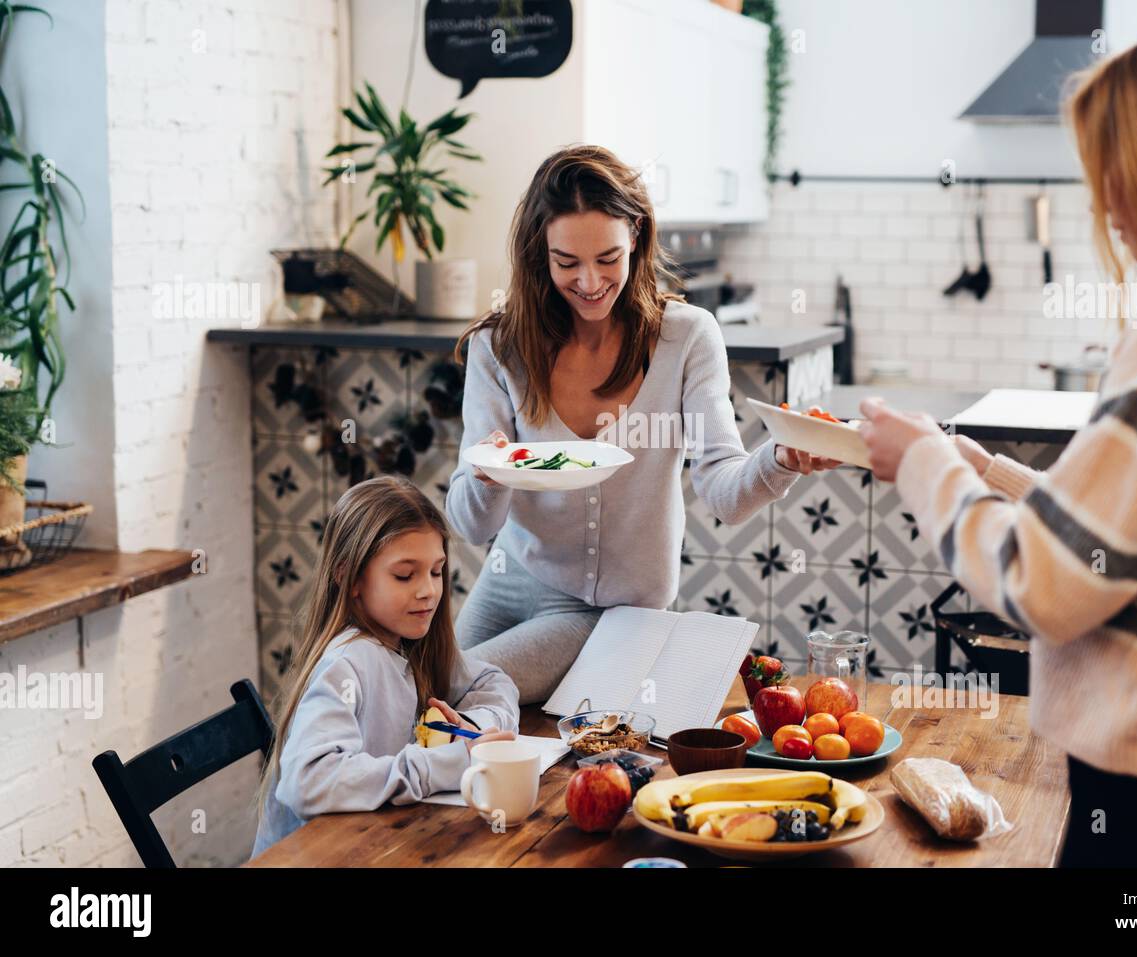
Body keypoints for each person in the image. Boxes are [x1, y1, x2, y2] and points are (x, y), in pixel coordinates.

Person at [856, 27, 1137, 867]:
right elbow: (1131, 536)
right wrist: (979, 466)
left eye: (1111, 164)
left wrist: (925, 465)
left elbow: (1049, 582)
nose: (1102, 198)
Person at [445, 145, 837, 704]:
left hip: (617, 613)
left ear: (636, 234)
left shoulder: (686, 338)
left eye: (607, 258)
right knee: (423, 698)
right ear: (540, 254)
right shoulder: (500, 346)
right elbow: (472, 526)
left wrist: (779, 460)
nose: (589, 281)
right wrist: (487, 475)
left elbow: (724, 490)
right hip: (510, 582)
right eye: (566, 263)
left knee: (458, 692)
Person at [252, 475, 519, 855]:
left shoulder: (412, 641)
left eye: (436, 570)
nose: (427, 590)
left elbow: (495, 682)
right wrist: (447, 763)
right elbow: (306, 781)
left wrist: (474, 731)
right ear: (349, 577)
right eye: (404, 575)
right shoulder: (346, 663)